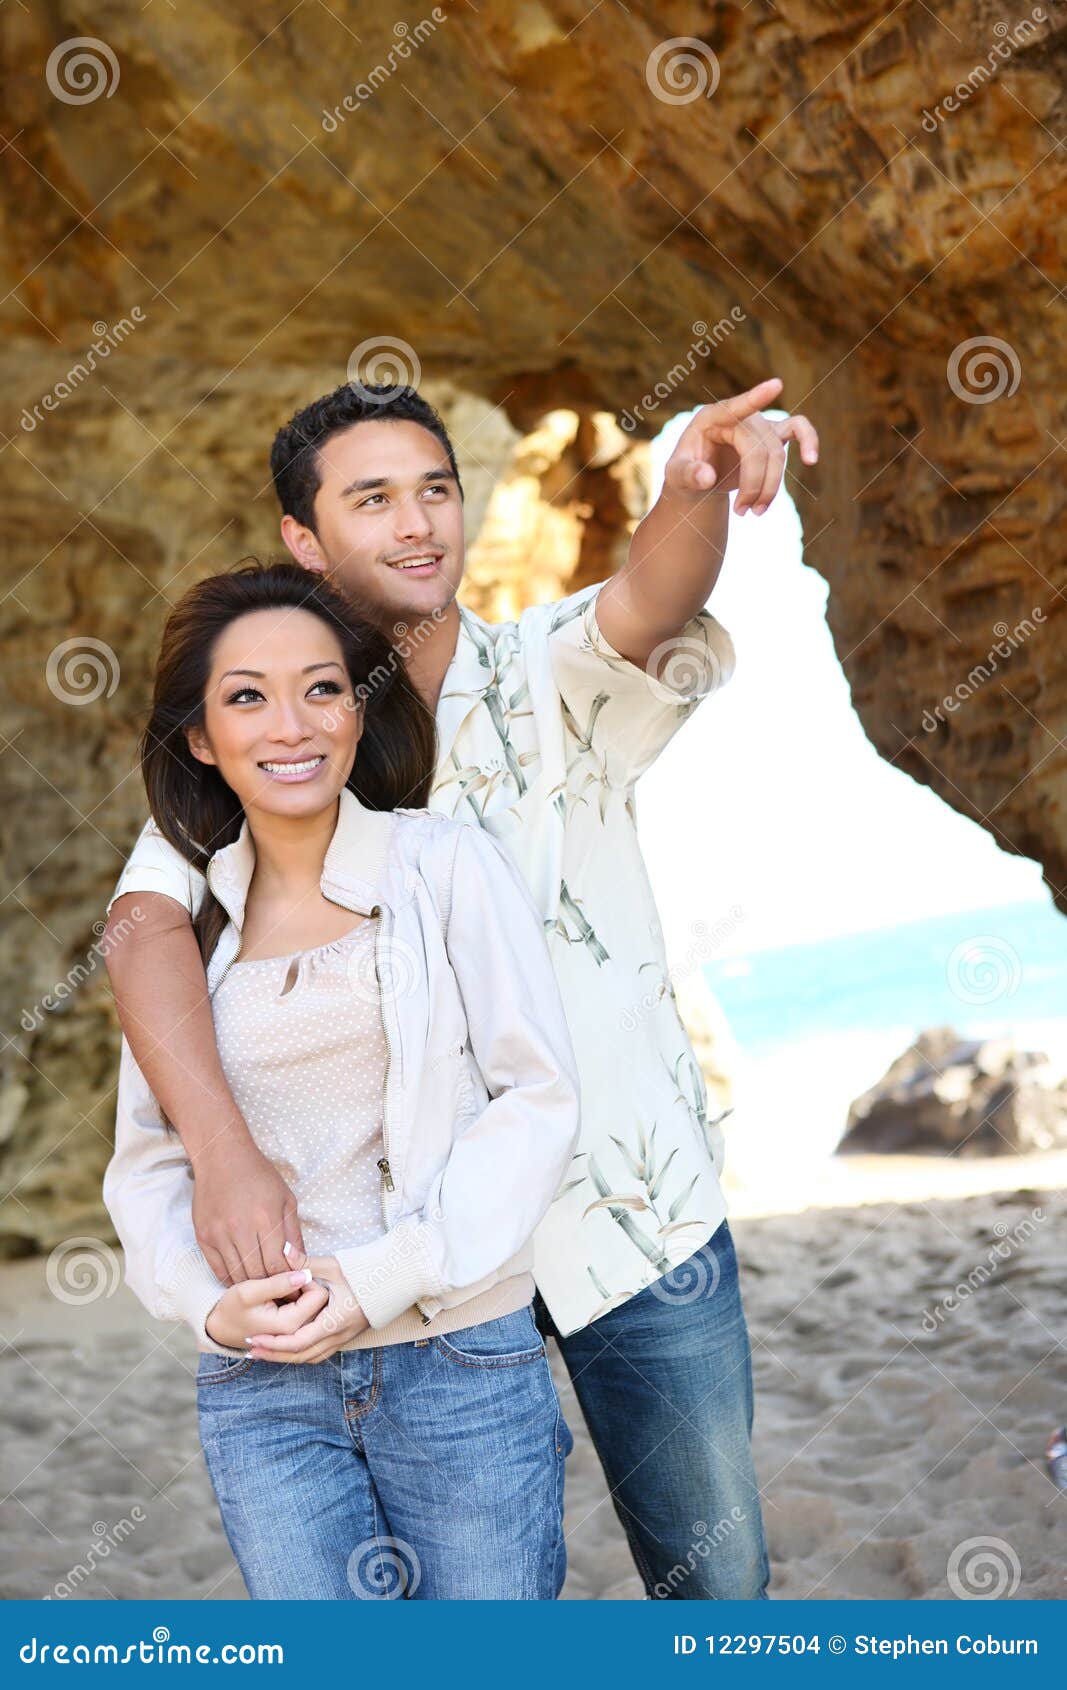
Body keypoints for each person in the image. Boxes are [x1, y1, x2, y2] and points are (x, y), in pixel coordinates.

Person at [104, 376, 818, 1600]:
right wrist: (221, 1155)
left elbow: (651, 598)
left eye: (434, 489)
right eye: (372, 499)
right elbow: (142, 926)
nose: (416, 522)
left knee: (714, 1585)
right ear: (303, 538)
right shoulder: (282, 738)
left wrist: (691, 488)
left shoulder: (545, 668)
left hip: (623, 1213)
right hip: (407, 1273)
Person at [102, 560, 581, 1600]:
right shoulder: (191, 931)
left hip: (456, 1357)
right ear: (199, 737)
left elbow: (537, 1098)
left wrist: (381, 1276)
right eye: (246, 697)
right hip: (262, 1389)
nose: (291, 726)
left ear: (359, 711)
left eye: (322, 688)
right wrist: (212, 1309)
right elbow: (148, 1163)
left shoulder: (445, 866)